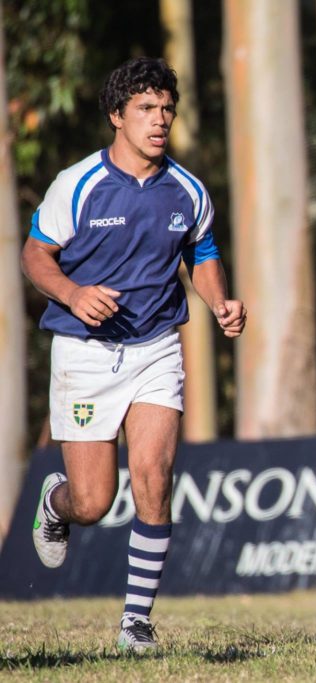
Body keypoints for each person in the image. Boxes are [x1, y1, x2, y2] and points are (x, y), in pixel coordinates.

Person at [23, 57, 246, 654]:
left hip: (155, 349)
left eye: (166, 109)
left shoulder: (189, 190)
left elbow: (202, 255)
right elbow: (35, 256)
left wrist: (220, 302)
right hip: (85, 354)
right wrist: (73, 293)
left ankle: (136, 621)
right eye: (146, 109)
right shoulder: (78, 184)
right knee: (94, 502)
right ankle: (56, 502)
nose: (159, 120)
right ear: (117, 116)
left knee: (153, 477)